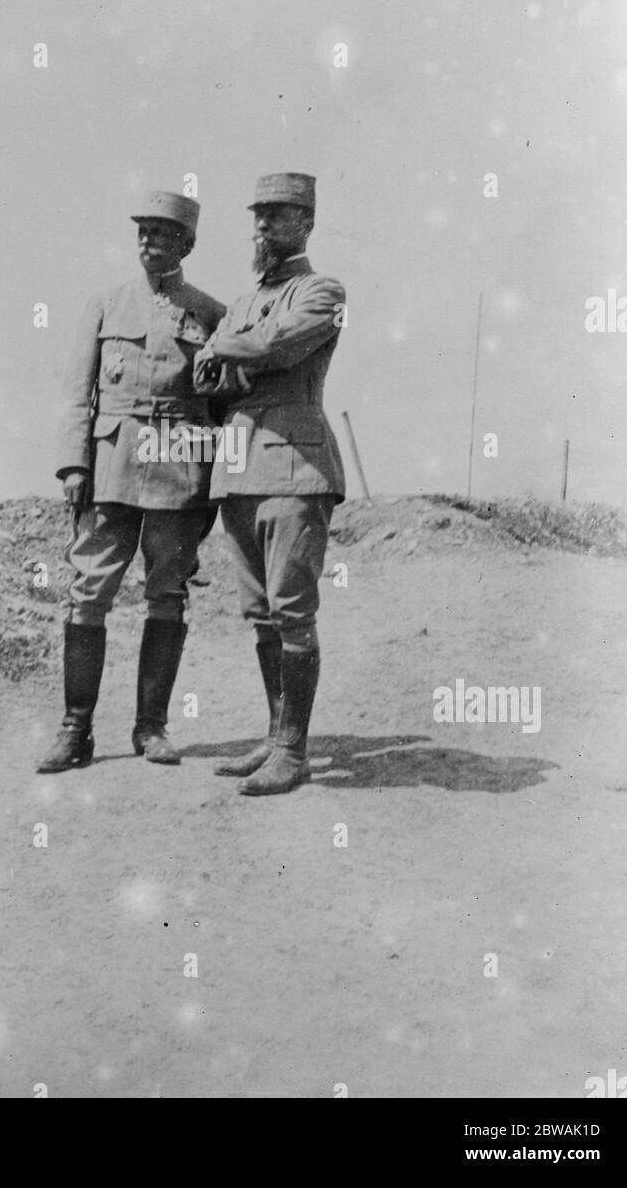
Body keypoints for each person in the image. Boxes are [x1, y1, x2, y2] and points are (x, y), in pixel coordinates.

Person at [37, 190, 225, 772]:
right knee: (89, 591)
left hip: (178, 463)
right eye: (142, 231)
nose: (148, 242)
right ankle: (76, 731)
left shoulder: (211, 314)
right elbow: (77, 392)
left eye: (163, 234)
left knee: (167, 592)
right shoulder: (106, 302)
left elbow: (219, 406)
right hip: (112, 464)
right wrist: (74, 464)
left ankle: (151, 728)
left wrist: (213, 483)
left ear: (186, 244)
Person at [194, 172, 345, 795]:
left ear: (305, 224)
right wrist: (231, 355)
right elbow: (207, 376)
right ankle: (275, 734)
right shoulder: (244, 301)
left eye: (277, 217)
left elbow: (281, 346)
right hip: (239, 466)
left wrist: (230, 349)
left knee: (292, 610)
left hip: (294, 466)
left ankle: (294, 751)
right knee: (260, 613)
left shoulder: (324, 291)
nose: (263, 227)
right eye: (258, 216)